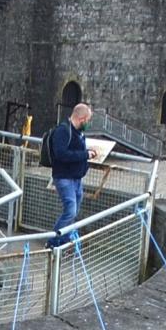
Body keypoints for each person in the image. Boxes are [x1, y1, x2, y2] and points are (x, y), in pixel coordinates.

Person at [47, 102, 98, 248]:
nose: (88, 123)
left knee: (73, 212)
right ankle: (53, 242)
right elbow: (61, 154)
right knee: (70, 211)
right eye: (87, 120)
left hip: (76, 178)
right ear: (81, 119)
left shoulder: (77, 132)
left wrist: (87, 153)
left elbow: (75, 151)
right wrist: (85, 154)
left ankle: (64, 241)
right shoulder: (63, 131)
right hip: (64, 178)